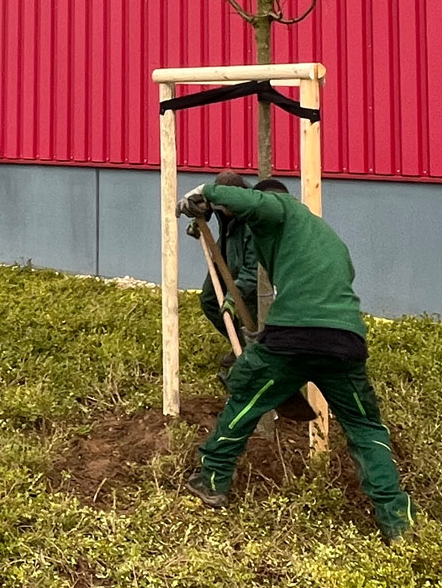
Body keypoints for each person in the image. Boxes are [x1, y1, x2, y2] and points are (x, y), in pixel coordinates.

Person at [175, 177, 417, 542]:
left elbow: (255, 203)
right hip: (344, 342)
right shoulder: (326, 237)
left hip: (294, 339)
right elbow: (321, 288)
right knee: (366, 429)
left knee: (244, 396)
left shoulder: (282, 209)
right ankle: (397, 520)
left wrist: (204, 194)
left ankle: (211, 478)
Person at [192, 170, 259, 359]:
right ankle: (239, 343)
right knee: (209, 301)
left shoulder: (254, 219)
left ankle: (250, 356)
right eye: (220, 207)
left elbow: (252, 271)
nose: (224, 212)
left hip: (246, 271)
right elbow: (205, 204)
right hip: (224, 256)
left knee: (251, 319)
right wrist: (199, 218)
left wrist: (232, 297)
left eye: (228, 208)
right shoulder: (219, 196)